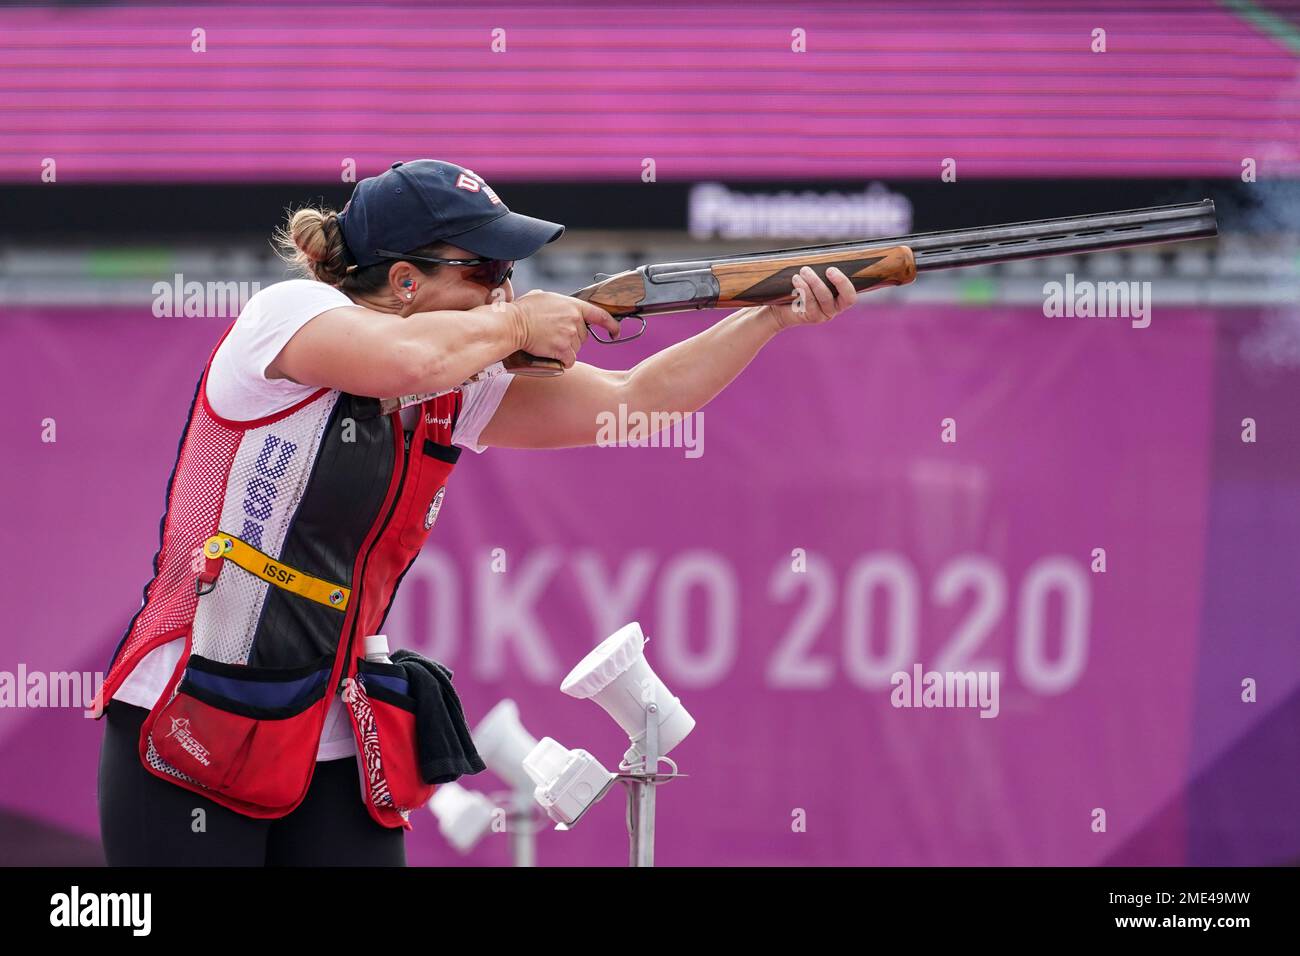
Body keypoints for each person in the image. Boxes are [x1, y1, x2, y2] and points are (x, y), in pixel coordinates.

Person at [96, 159, 857, 866]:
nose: (505, 290)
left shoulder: (455, 387)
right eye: (485, 270)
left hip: (333, 732)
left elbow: (640, 401)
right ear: (403, 282)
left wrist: (770, 316)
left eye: (509, 274)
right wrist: (521, 327)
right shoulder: (289, 314)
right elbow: (405, 360)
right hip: (191, 715)